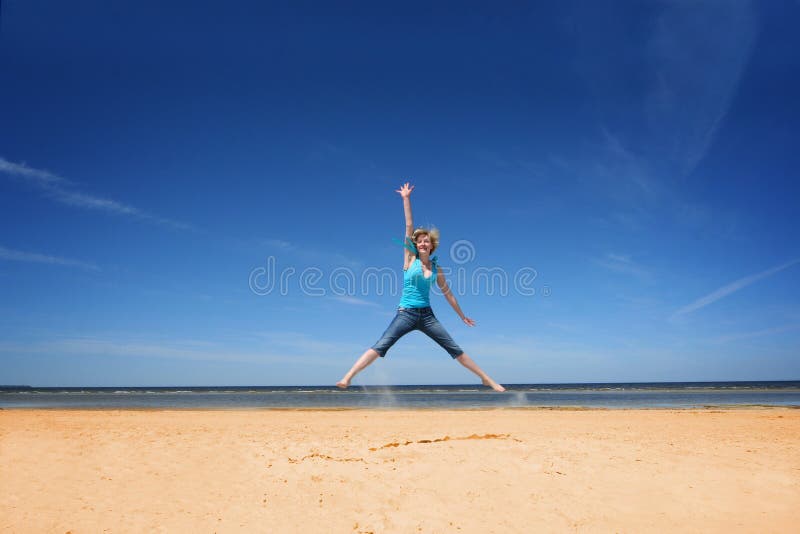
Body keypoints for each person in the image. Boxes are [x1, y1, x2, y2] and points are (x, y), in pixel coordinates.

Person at [336, 182, 506, 392]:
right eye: (420, 241)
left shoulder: (436, 268)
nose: (423, 243)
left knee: (453, 348)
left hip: (427, 316)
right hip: (405, 314)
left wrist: (461, 316)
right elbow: (408, 226)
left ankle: (486, 379)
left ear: (432, 245)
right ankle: (348, 377)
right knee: (381, 345)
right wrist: (406, 199)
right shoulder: (409, 259)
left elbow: (448, 294)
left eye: (426, 241)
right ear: (415, 245)